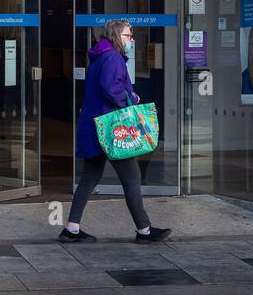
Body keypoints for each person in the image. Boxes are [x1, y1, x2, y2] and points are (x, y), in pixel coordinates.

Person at [60, 20, 170, 244]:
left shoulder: (101, 56)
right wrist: (131, 99)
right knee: (132, 176)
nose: (131, 40)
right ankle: (144, 230)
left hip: (96, 127)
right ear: (117, 36)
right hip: (112, 129)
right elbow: (111, 88)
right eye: (128, 35)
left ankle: (71, 228)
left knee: (90, 177)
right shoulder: (112, 57)